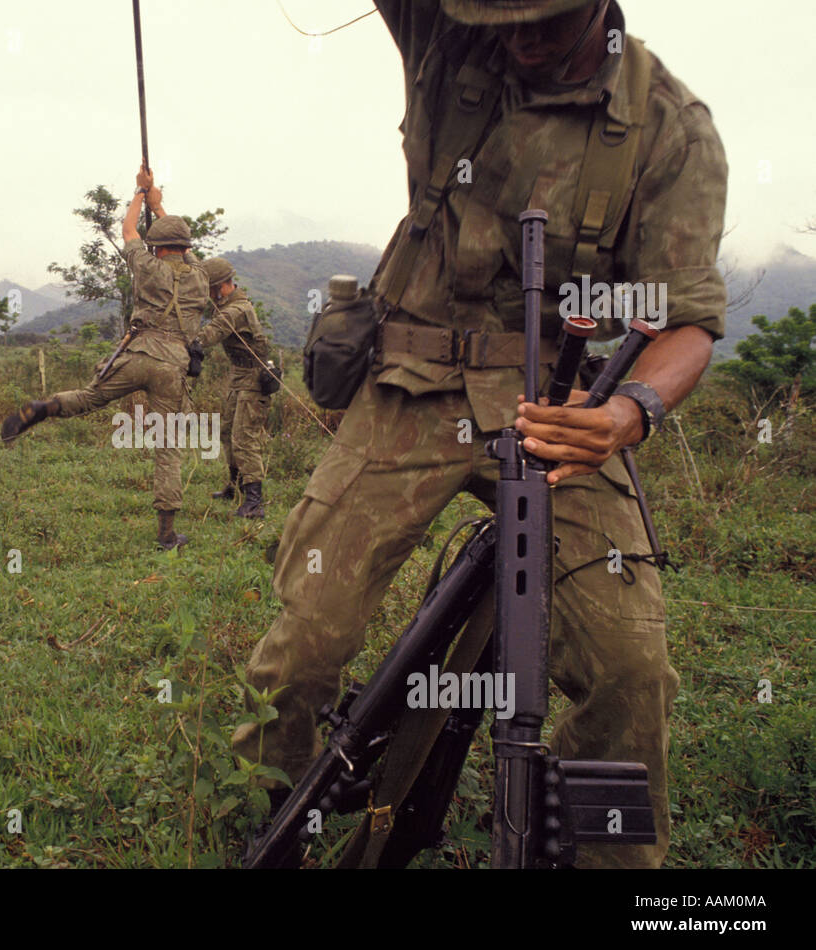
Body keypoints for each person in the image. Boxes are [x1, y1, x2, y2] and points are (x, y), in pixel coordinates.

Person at [234, 0, 727, 868]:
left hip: (556, 404)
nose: (520, 34)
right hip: (409, 384)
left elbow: (685, 320)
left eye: (544, 18)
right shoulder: (448, 31)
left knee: (630, 666)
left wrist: (623, 414)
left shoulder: (668, 127)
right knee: (308, 635)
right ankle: (264, 817)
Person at [0, 164, 209, 551]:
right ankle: (166, 535)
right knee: (167, 445)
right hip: (173, 365)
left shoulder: (147, 265)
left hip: (137, 353)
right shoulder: (199, 275)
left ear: (156, 247)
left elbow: (128, 232)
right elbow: (185, 247)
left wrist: (139, 194)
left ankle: (44, 407)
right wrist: (160, 206)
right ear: (184, 246)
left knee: (90, 397)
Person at [195, 257, 273, 519]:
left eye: (210, 290)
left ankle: (254, 501)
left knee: (244, 437)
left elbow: (208, 335)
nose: (208, 296)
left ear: (221, 287)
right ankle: (235, 485)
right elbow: (198, 266)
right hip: (240, 375)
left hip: (254, 378)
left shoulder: (235, 310)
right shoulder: (229, 302)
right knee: (228, 431)